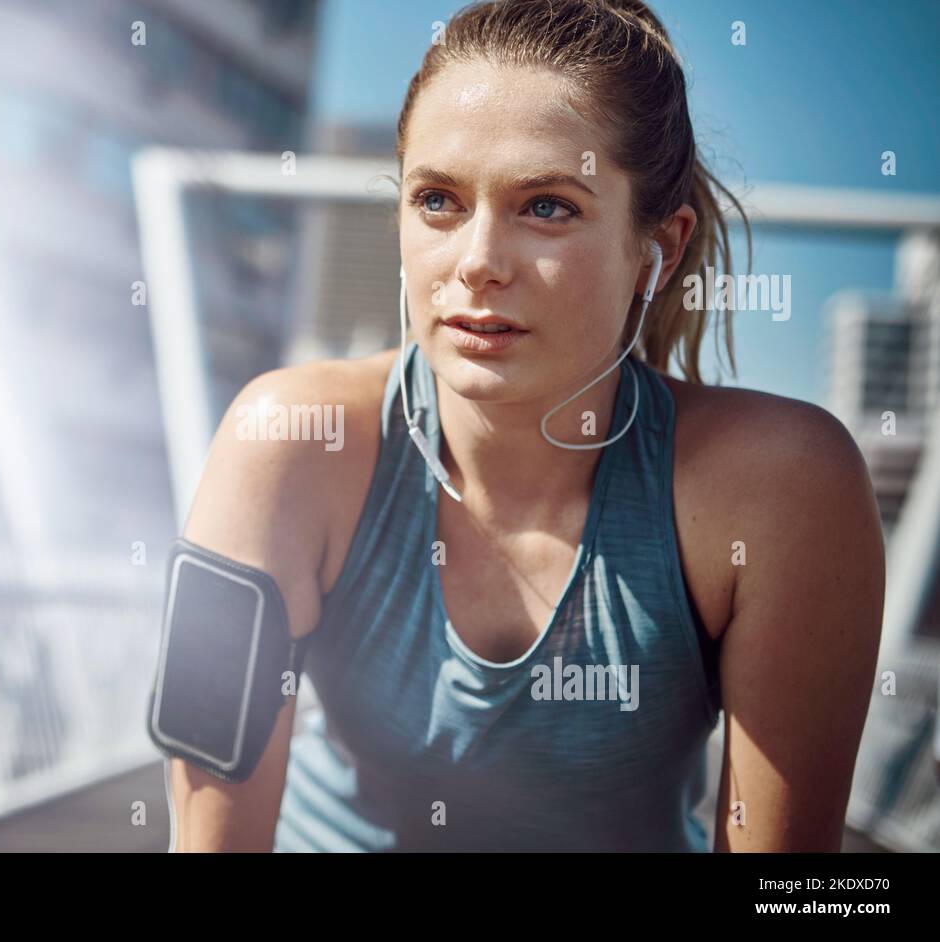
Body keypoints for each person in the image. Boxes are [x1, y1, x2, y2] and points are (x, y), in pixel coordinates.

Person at [166, 0, 886, 851]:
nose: (477, 262)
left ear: (660, 246)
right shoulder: (284, 439)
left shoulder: (783, 487)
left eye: (546, 207)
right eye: (437, 200)